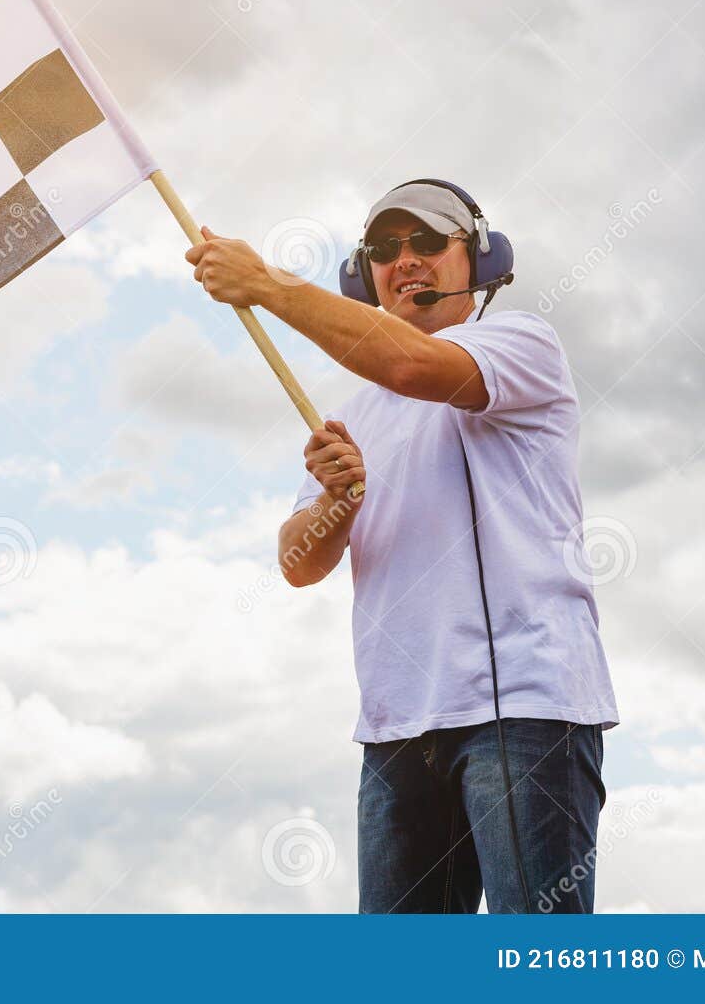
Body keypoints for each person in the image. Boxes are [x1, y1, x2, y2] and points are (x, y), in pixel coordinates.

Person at [185, 180, 619, 913]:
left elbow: (412, 365)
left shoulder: (521, 342)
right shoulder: (353, 409)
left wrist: (266, 283)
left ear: (476, 257)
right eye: (385, 249)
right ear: (366, 274)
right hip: (395, 728)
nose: (405, 258)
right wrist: (336, 502)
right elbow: (298, 562)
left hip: (523, 707)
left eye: (427, 241)